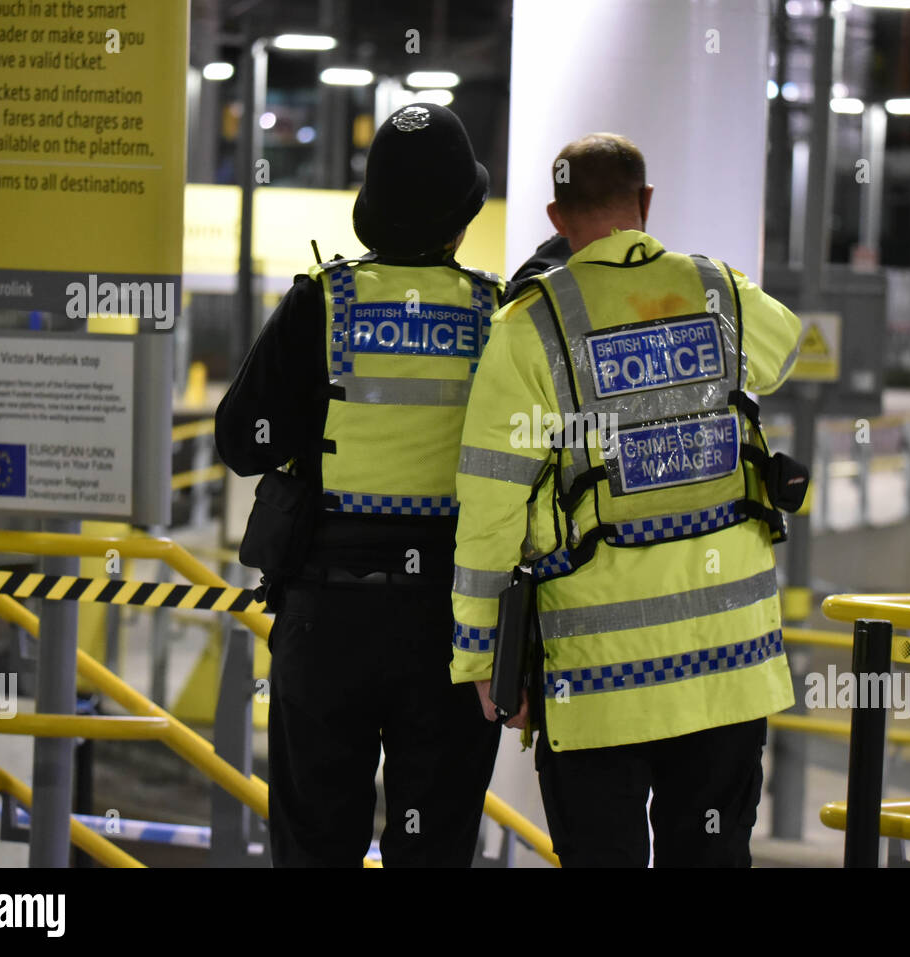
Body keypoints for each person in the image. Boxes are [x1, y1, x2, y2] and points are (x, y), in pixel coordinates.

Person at [449, 132, 804, 867]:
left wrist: (485, 654)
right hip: (727, 671)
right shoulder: (718, 291)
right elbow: (784, 348)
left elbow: (490, 509)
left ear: (555, 216)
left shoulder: (531, 326)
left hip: (600, 681)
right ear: (645, 203)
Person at [215, 103, 503, 867]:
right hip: (450, 625)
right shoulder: (493, 314)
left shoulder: (322, 301)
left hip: (327, 617)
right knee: (432, 845)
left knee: (314, 843)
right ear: (462, 217)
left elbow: (241, 441)